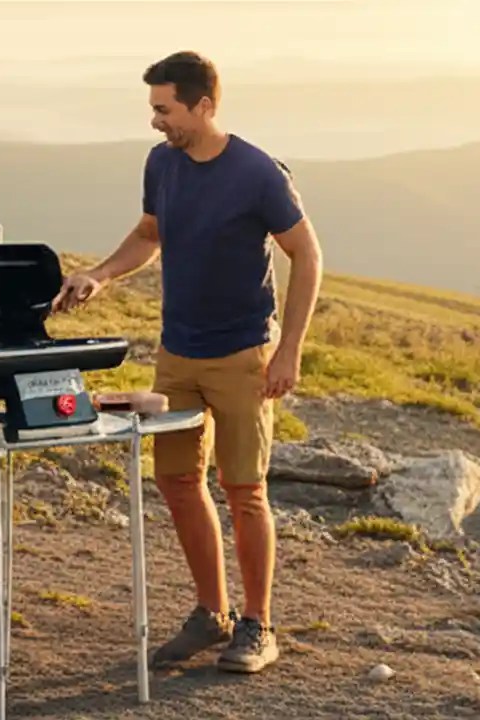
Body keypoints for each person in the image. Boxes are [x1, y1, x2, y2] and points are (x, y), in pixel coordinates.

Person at [52, 50, 323, 674]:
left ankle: (257, 625)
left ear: (204, 106)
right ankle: (211, 613)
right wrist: (99, 276)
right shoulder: (163, 162)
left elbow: (306, 256)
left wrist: (289, 349)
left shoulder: (258, 173)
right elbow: (151, 234)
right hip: (177, 354)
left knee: (244, 491)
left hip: (243, 356)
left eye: (164, 109)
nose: (155, 121)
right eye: (153, 108)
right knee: (177, 482)